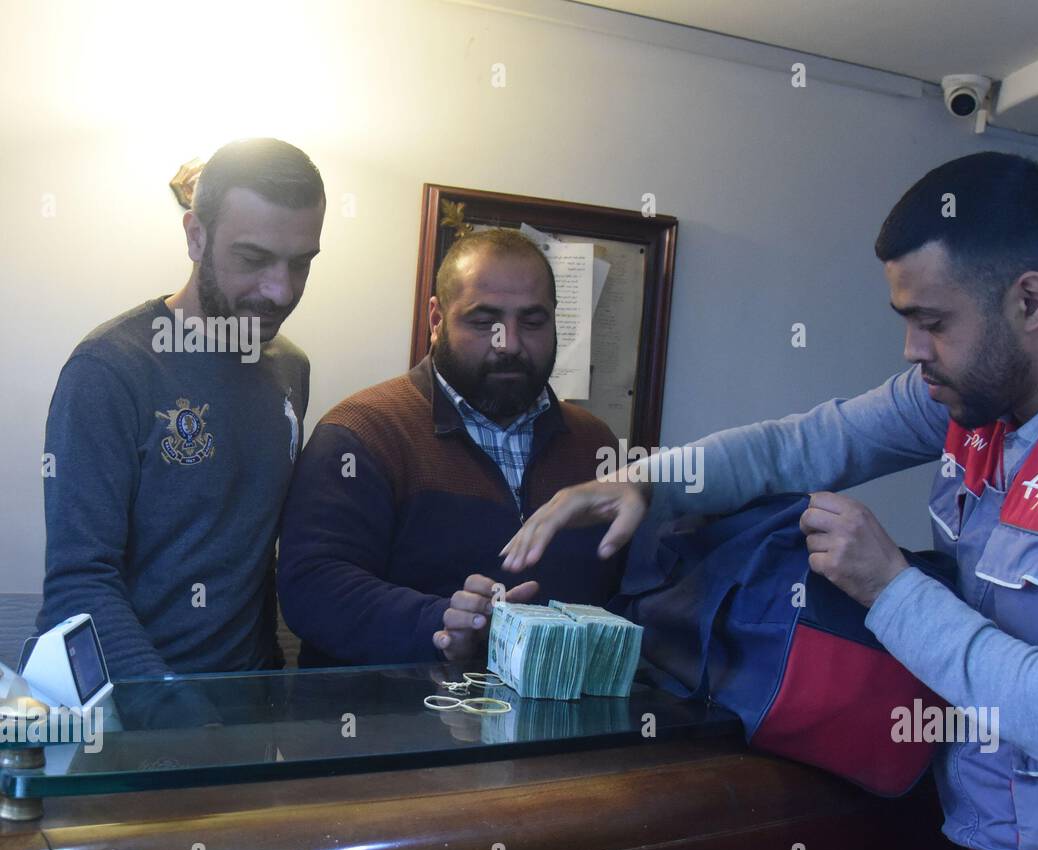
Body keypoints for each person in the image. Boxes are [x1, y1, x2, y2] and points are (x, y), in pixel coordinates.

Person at [499, 152, 1038, 850]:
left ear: (1032, 301)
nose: (911, 349)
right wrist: (653, 481)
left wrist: (893, 588)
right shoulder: (982, 392)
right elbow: (807, 443)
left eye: (932, 322)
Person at [38, 138, 325, 725]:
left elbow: (253, 556)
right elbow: (79, 582)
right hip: (129, 720)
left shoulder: (290, 368)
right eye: (253, 259)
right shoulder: (110, 371)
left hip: (251, 709)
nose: (282, 290)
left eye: (302, 262)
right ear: (195, 235)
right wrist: (179, 714)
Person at [277, 228, 622, 667]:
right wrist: (441, 624)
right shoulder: (361, 432)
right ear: (436, 320)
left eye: (533, 322)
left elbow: (622, 592)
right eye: (484, 322)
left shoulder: (597, 446)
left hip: (566, 726)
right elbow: (313, 588)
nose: (509, 344)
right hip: (393, 727)